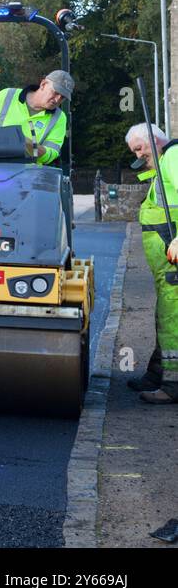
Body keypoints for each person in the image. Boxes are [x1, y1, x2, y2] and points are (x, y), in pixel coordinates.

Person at [124, 122, 178, 403]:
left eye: (141, 149)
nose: (140, 156)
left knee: (172, 321)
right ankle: (156, 375)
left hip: (174, 265)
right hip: (168, 268)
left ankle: (172, 387)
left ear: (154, 139)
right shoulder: (165, 161)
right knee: (165, 318)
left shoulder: (173, 157)